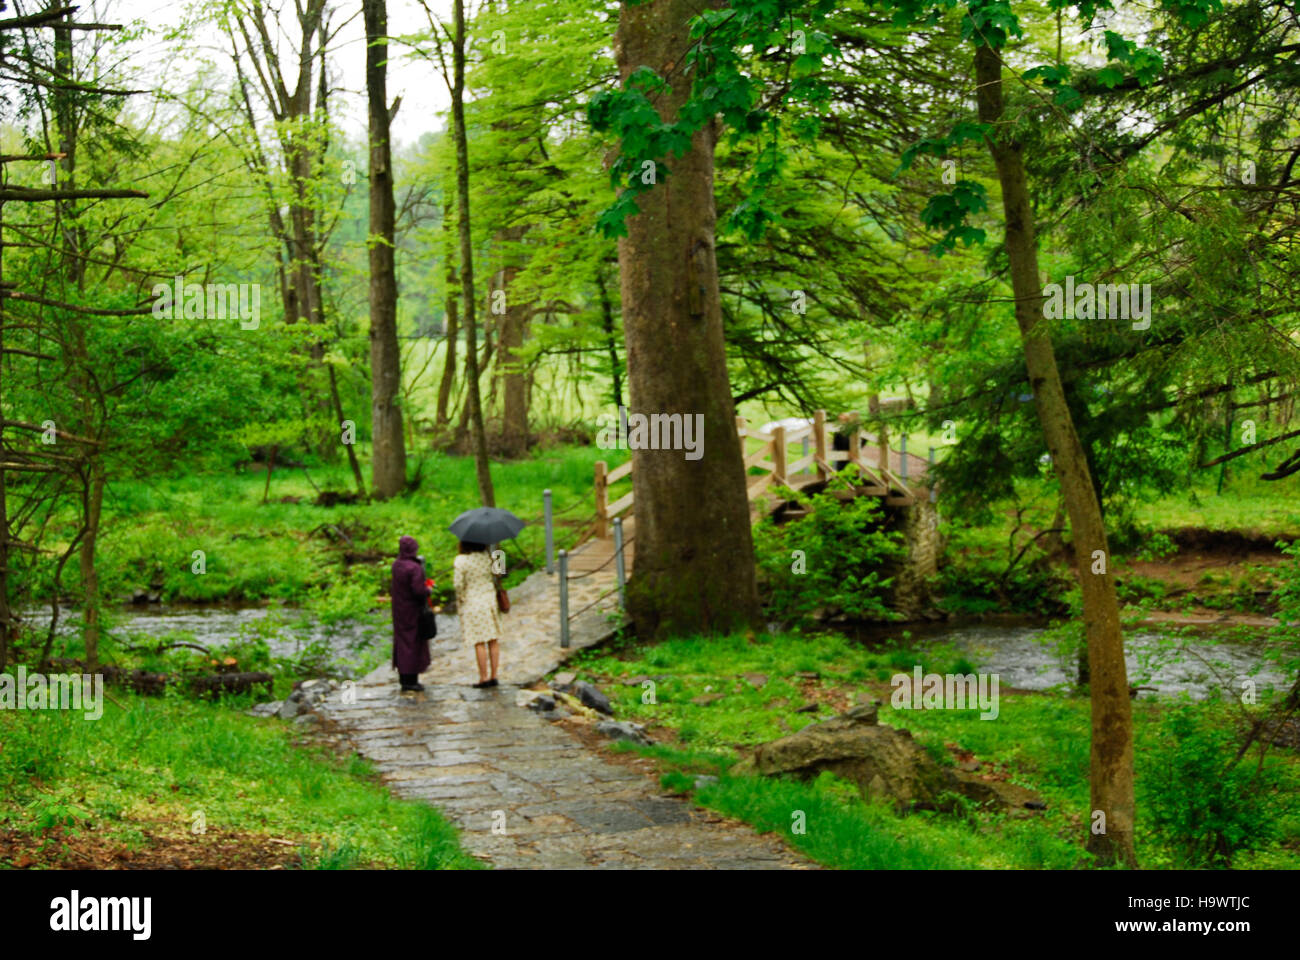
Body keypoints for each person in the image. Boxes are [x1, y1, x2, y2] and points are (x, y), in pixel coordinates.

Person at [454, 539, 501, 688]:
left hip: (473, 602)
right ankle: (494, 676)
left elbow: (458, 584)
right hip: (490, 600)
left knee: (479, 641)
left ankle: (483, 677)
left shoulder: (461, 560)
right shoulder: (490, 556)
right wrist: (499, 553)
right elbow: (500, 573)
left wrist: (462, 597)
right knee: (493, 639)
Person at [390, 535, 433, 693]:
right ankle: (412, 681)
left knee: (402, 642)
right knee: (413, 643)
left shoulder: (396, 565)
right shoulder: (414, 568)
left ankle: (404, 679)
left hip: (399, 610)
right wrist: (428, 590)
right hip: (413, 611)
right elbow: (418, 591)